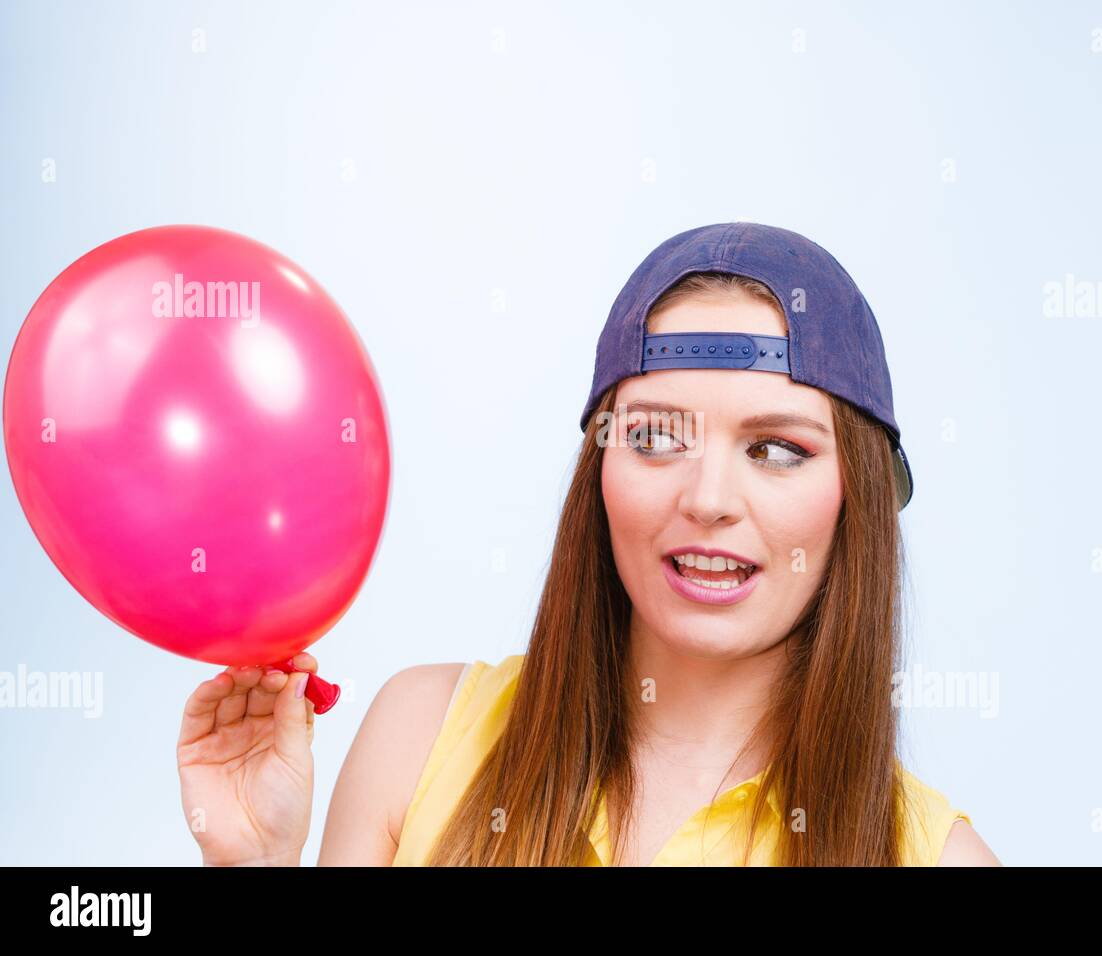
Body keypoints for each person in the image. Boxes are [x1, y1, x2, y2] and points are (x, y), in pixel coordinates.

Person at [178, 222, 1000, 866]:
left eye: (777, 449)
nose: (708, 499)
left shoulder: (935, 858)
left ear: (857, 497)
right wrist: (256, 862)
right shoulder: (418, 738)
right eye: (655, 437)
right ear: (599, 471)